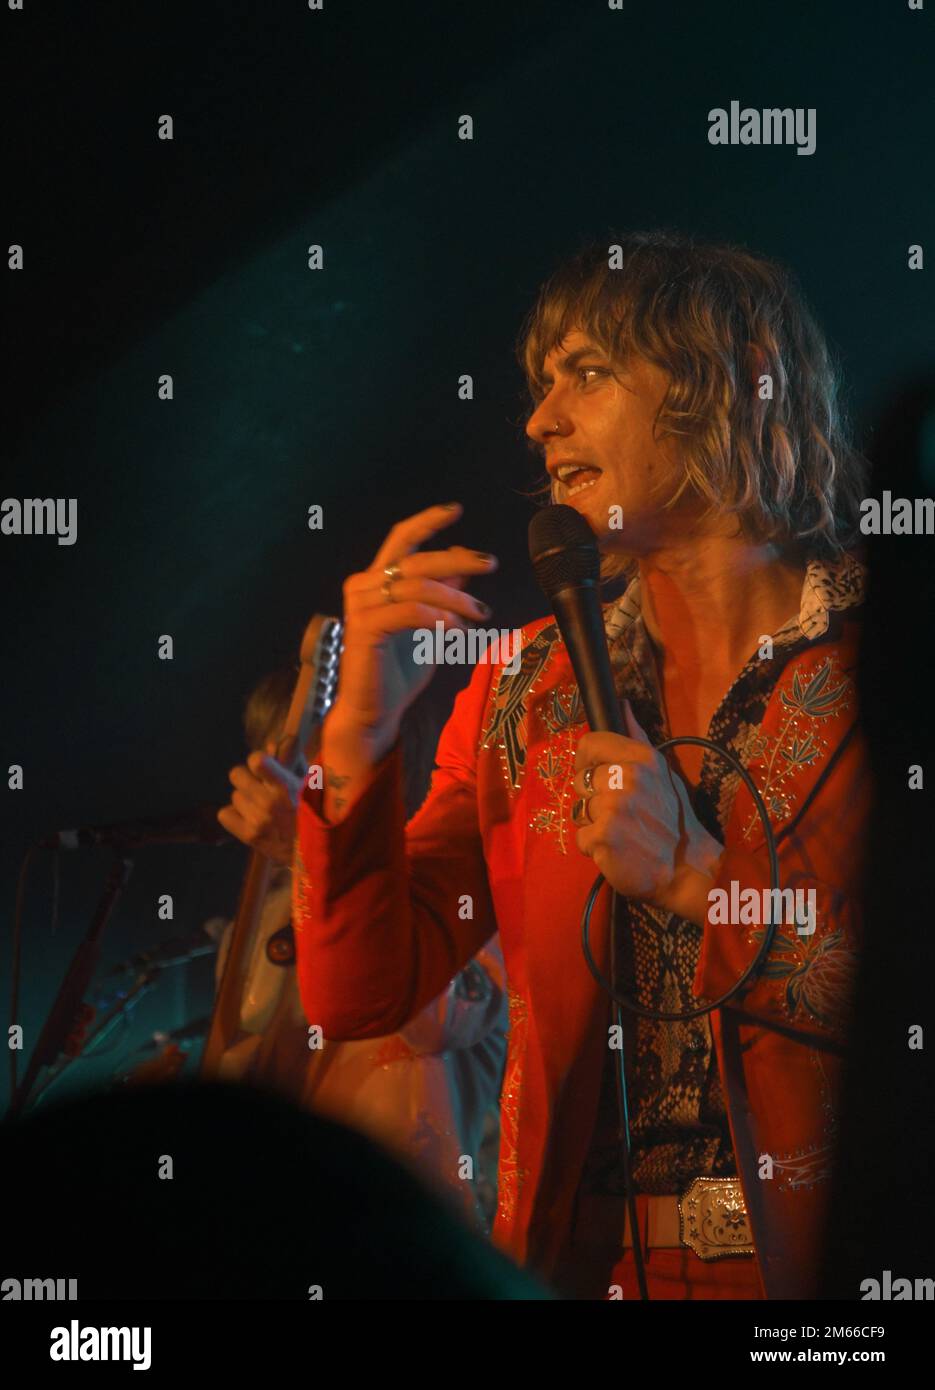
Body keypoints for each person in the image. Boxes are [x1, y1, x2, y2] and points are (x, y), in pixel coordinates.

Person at [292, 231, 870, 1299]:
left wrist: (702, 883)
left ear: (740, 376)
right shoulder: (525, 689)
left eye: (587, 373)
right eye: (539, 383)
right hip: (579, 1271)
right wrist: (356, 742)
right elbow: (361, 992)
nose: (538, 420)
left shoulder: (889, 668)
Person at [212, 666, 508, 1231]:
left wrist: (315, 852)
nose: (293, 783)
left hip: (424, 1236)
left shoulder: (469, 894)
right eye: (275, 761)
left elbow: (431, 1021)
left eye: (319, 763)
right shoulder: (256, 919)